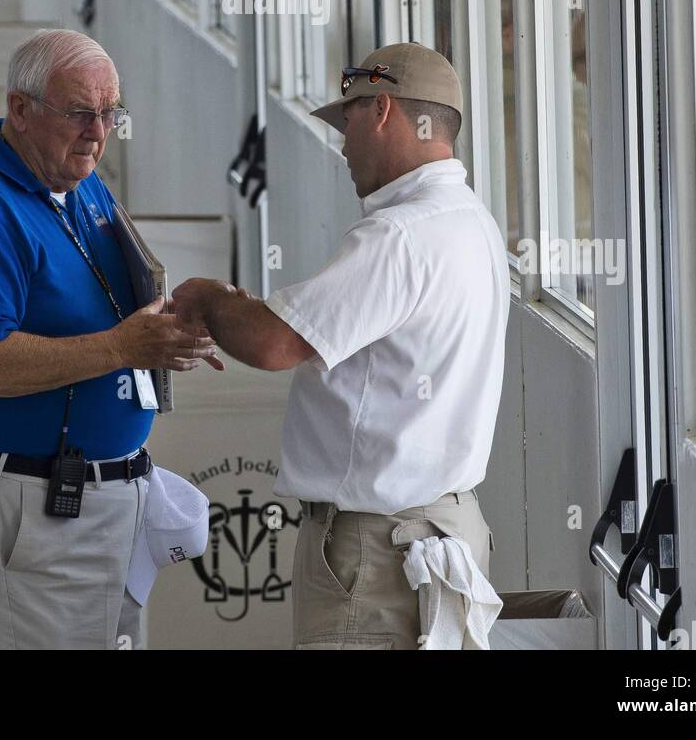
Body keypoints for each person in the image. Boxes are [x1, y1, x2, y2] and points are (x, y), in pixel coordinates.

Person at [172, 42, 511, 650]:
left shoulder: (398, 237)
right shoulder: (471, 223)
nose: (343, 144)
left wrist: (209, 298)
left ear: (381, 110)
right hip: (448, 525)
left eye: (348, 121)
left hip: (376, 555)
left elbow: (274, 343)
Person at [0, 29, 221, 650]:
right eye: (80, 112)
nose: (99, 131)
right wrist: (122, 348)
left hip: (106, 509)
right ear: (20, 110)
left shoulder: (80, 185)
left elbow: (117, 296)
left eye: (111, 113)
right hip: (21, 512)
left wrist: (166, 329)